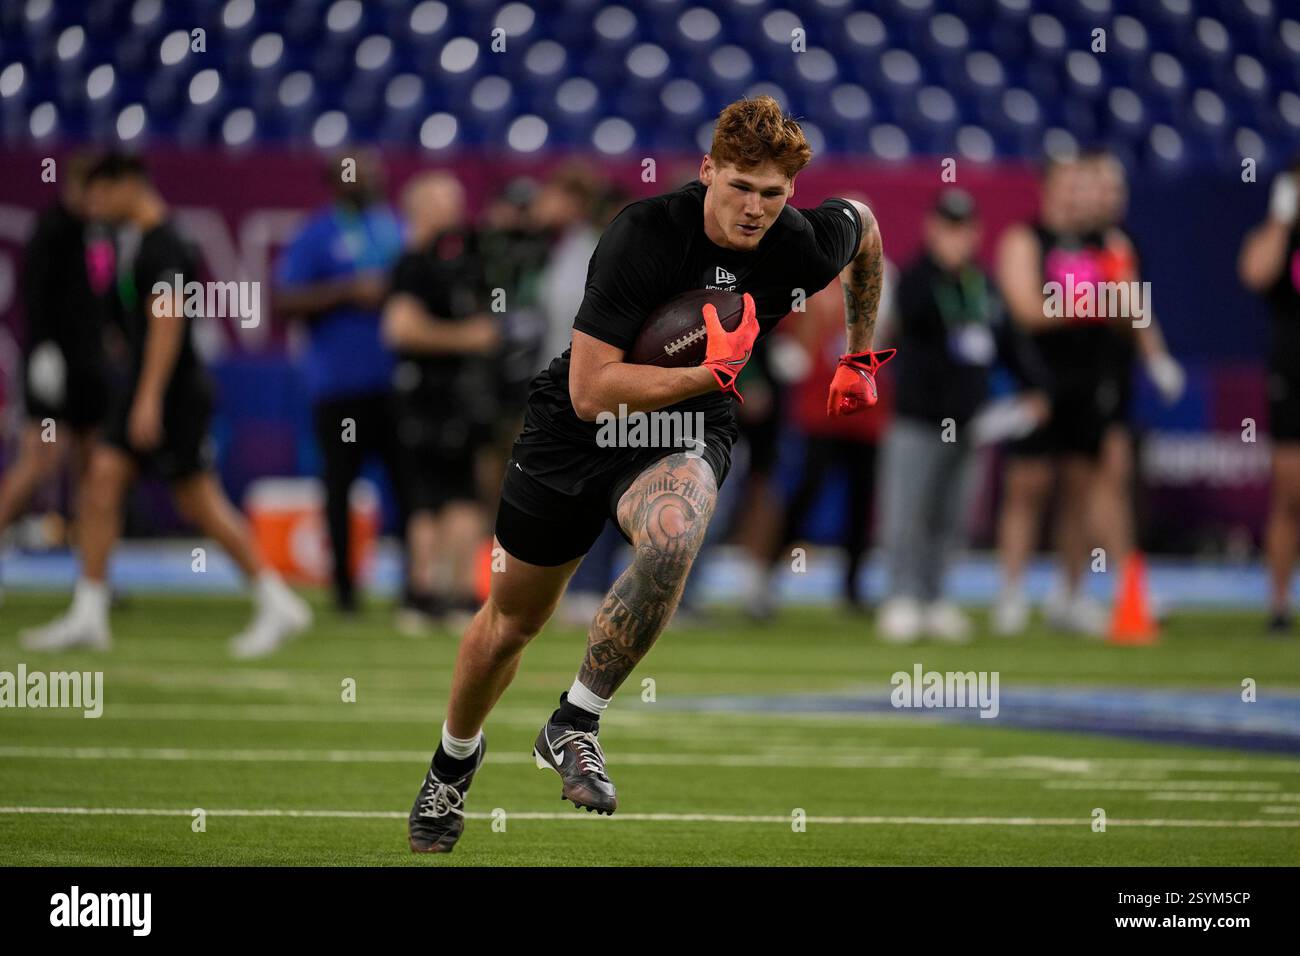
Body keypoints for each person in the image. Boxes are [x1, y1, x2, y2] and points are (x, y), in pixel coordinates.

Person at [406, 96, 890, 853]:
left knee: (673, 534)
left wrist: (858, 355)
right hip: (577, 429)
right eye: (739, 187)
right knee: (510, 625)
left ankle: (574, 721)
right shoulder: (642, 233)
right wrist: (712, 372)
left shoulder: (798, 240)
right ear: (706, 172)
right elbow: (591, 391)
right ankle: (450, 765)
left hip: (686, 427)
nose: (755, 208)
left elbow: (864, 227)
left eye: (772, 194)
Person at [19, 153, 310, 657]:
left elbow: (168, 319)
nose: (94, 203)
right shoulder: (132, 242)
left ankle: (276, 598)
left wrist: (149, 397)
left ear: (128, 184)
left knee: (198, 502)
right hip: (145, 388)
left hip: (171, 394)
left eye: (102, 191)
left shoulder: (164, 244)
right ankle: (89, 611)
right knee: (101, 486)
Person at [876, 189, 1050, 642]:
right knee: (908, 512)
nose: (956, 239)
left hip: (969, 423)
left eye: (964, 229)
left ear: (975, 233)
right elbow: (917, 331)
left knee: (951, 517)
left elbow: (1008, 343)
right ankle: (901, 596)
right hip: (919, 417)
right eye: (947, 228)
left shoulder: (982, 286)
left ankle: (936, 598)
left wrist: (1035, 388)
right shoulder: (916, 281)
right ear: (932, 229)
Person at [274, 152, 407, 614]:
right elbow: (284, 300)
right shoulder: (316, 234)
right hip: (338, 385)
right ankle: (344, 589)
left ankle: (413, 586)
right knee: (339, 486)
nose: (372, 179)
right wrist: (348, 292)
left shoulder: (393, 227)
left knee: (407, 484)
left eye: (374, 172)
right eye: (361, 173)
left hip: (394, 380)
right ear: (337, 181)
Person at [994, 158, 1119, 636]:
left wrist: (1109, 299)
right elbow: (1025, 308)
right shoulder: (1025, 239)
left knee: (1080, 493)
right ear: (1048, 190)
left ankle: (1070, 596)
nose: (1076, 196)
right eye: (1068, 187)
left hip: (1089, 381)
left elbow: (1131, 310)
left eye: (1082, 187)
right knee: (1028, 488)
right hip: (1039, 381)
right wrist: (1092, 300)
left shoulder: (1106, 242)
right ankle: (1011, 594)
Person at [383, 172, 498, 631]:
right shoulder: (414, 264)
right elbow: (400, 329)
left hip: (461, 398)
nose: (455, 211)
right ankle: (424, 589)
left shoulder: (460, 261)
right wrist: (468, 338)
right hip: (425, 395)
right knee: (426, 496)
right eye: (445, 202)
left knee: (461, 494)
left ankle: (454, 592)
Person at [0, 152, 112, 558]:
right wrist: (44, 349)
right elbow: (35, 298)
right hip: (52, 370)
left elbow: (103, 293)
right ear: (74, 186)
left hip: (89, 371)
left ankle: (92, 574)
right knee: (40, 461)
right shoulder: (51, 230)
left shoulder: (100, 235)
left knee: (93, 471)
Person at [1239, 160, 1300, 632]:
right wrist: (1281, 216)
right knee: (1291, 490)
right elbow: (1256, 273)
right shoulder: (1281, 233)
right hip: (1293, 370)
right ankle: (1278, 605)